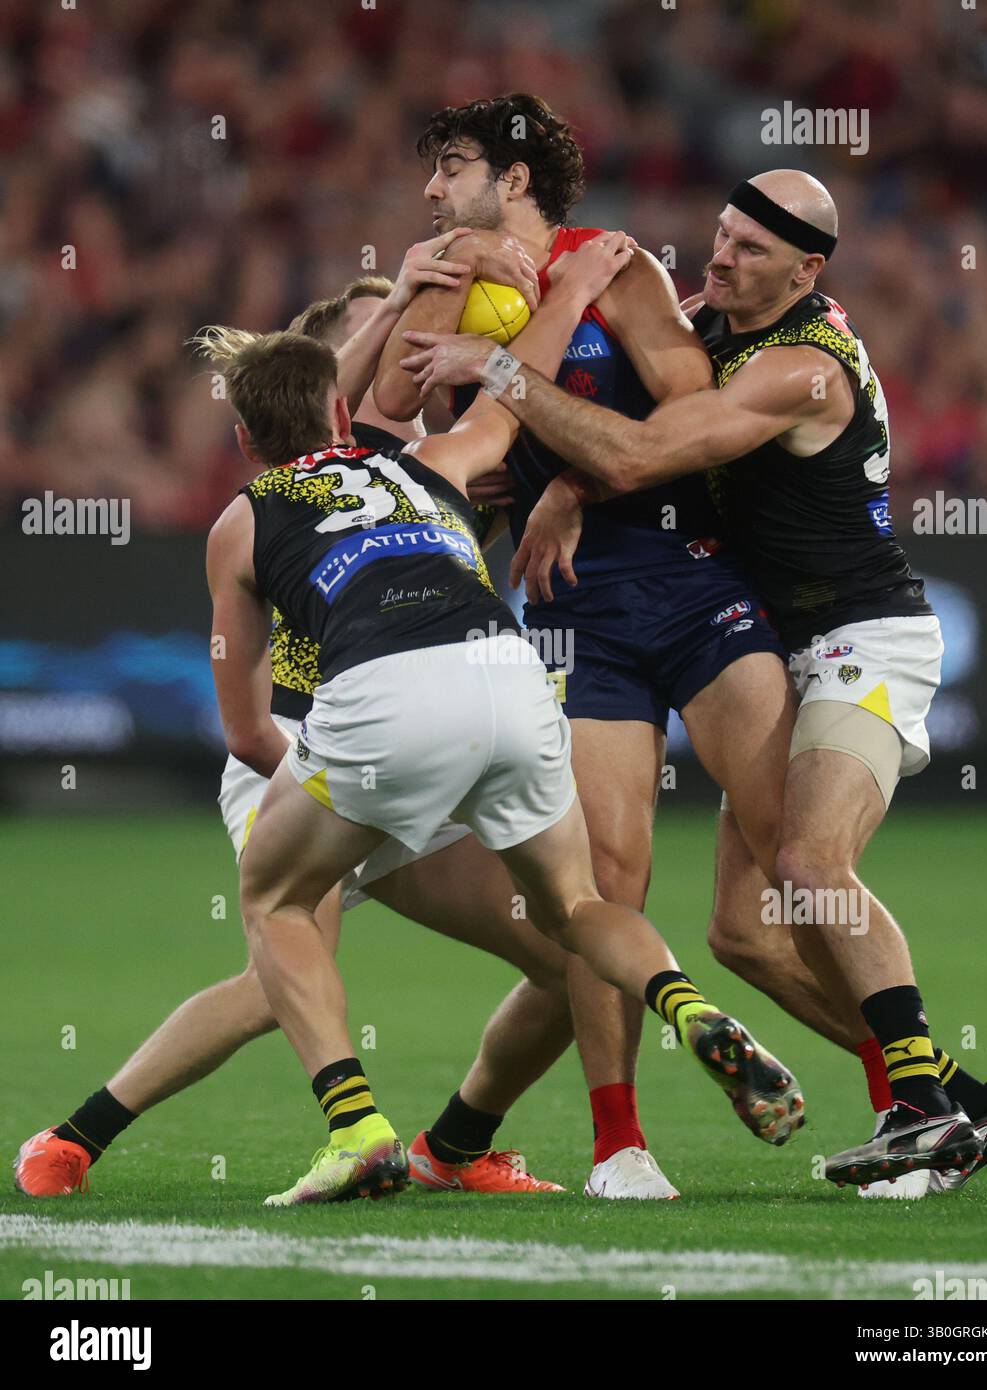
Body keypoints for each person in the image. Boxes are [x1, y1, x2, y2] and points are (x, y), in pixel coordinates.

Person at [399, 169, 987, 1192]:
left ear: (805, 271)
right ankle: (945, 1093)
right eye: (719, 237)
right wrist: (561, 481)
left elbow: (644, 452)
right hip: (784, 640)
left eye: (746, 251)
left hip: (860, 640)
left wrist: (498, 372)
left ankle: (915, 1105)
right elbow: (621, 425)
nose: (717, 260)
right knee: (741, 933)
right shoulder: (712, 323)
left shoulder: (796, 366)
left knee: (810, 866)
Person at [198, 229, 803, 1206]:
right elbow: (506, 391)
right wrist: (570, 291)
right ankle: (683, 1003)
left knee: (272, 897)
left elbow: (242, 730)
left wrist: (333, 810)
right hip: (509, 677)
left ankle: (355, 1125)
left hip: (383, 705)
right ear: (346, 411)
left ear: (242, 442)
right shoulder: (426, 464)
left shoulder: (245, 516)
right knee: (577, 910)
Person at [14, 245, 573, 1202]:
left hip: (404, 753)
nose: (413, 342)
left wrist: (561, 486)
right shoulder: (343, 450)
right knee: (274, 985)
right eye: (389, 334)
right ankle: (74, 1139)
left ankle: (455, 1143)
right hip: (297, 751)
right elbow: (330, 391)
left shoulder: (417, 457)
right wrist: (396, 295)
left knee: (566, 963)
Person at [374, 94, 800, 1200]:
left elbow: (688, 406)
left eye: (452, 165)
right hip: (562, 613)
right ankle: (617, 1146)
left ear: (513, 179)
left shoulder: (618, 270)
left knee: (792, 864)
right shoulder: (441, 278)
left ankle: (912, 1085)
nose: (431, 190)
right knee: (602, 886)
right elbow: (402, 430)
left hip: (687, 575)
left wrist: (567, 476)